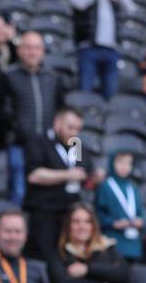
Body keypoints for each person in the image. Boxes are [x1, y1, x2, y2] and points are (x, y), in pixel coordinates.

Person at [25, 107, 100, 260]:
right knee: (45, 256)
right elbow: (34, 175)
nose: (74, 133)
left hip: (70, 212)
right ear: (57, 123)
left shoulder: (76, 145)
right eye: (70, 127)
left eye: (78, 129)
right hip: (45, 212)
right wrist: (67, 175)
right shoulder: (40, 142)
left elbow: (84, 174)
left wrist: (94, 178)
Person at [3, 31, 62, 206]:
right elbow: (4, 111)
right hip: (19, 144)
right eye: (28, 47)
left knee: (47, 193)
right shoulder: (9, 77)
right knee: (19, 190)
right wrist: (18, 130)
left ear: (43, 51)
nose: (32, 52)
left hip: (46, 144)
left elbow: (61, 109)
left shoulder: (53, 78)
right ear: (19, 51)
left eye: (36, 48)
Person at [68, 0, 137, 100]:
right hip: (88, 47)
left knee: (111, 92)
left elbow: (130, 9)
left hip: (110, 49)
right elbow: (80, 3)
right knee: (85, 89)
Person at [95, 150, 144, 261]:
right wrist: (113, 223)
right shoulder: (105, 186)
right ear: (112, 163)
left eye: (128, 163)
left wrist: (140, 221)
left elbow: (140, 212)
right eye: (120, 162)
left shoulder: (133, 187)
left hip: (133, 242)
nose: (124, 167)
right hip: (112, 240)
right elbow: (98, 213)